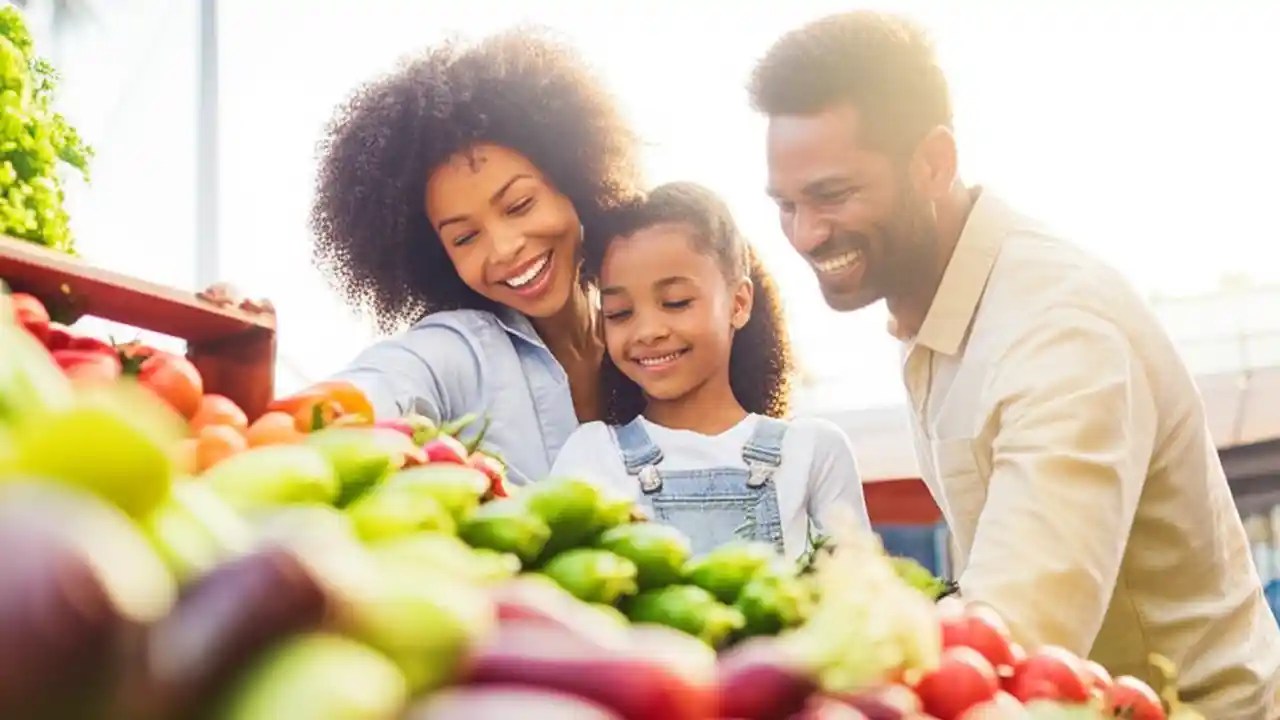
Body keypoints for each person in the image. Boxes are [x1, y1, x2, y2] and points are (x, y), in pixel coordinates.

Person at [751, 10, 1280, 717]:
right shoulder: (933, 306)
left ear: (933, 163)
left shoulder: (1057, 331)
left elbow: (1014, 629)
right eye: (785, 204)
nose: (806, 233)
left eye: (833, 195)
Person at [289, 28, 641, 486]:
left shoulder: (645, 331)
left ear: (573, 179)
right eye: (464, 237)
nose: (504, 248)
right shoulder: (458, 349)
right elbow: (372, 388)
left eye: (519, 205)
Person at [549, 182, 869, 559]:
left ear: (738, 303)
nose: (648, 331)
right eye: (620, 313)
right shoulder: (592, 453)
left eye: (676, 302)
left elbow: (863, 590)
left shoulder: (813, 449)